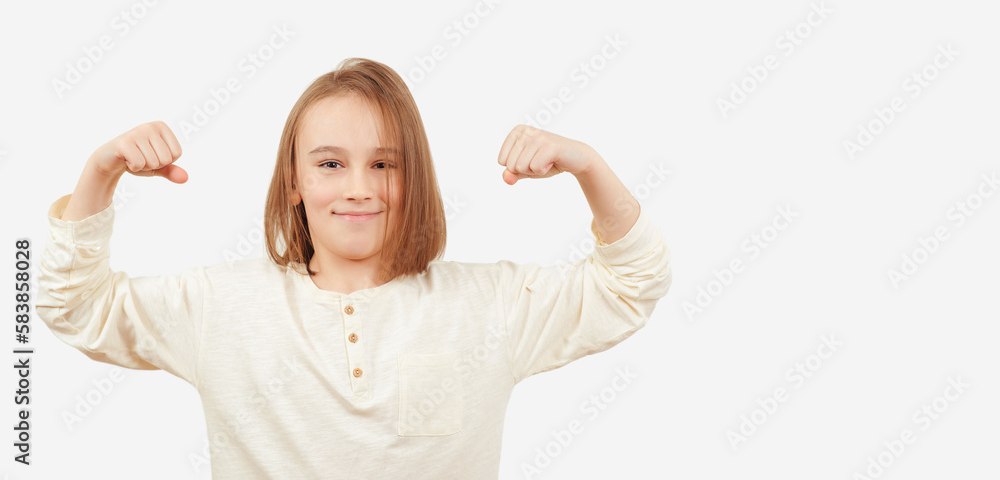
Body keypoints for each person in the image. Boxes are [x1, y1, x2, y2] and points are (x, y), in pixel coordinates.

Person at [37, 57, 673, 479]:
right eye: (330, 164)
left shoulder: (491, 305)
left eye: (384, 164)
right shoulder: (218, 307)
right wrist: (100, 172)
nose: (360, 188)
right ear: (295, 182)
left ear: (413, 177)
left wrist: (589, 167)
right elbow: (72, 305)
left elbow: (632, 285)